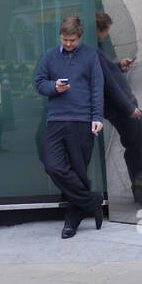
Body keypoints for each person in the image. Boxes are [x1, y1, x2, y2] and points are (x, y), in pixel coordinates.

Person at [34, 16, 105, 238]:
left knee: (79, 170)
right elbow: (39, 83)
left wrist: (97, 117)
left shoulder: (91, 56)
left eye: (72, 40)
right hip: (55, 120)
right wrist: (53, 87)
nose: (68, 44)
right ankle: (91, 201)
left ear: (80, 37)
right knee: (52, 165)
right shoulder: (50, 56)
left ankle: (72, 219)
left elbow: (97, 88)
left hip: (82, 121)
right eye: (64, 39)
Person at [95, 11, 142, 208]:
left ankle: (141, 187)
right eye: (106, 31)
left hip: (121, 108)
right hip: (122, 108)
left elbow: (109, 74)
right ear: (99, 30)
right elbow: (109, 85)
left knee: (135, 145)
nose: (107, 34)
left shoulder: (97, 50)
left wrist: (119, 66)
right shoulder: (95, 53)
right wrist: (129, 107)